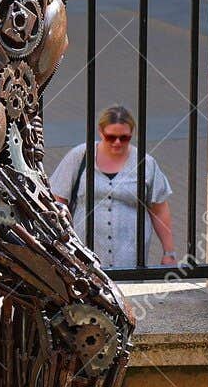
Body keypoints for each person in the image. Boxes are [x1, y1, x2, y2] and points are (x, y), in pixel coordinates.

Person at [49, 105, 178, 268]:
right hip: (83, 254)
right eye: (111, 137)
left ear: (131, 134)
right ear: (100, 132)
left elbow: (159, 210)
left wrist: (169, 252)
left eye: (124, 138)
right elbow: (58, 200)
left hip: (130, 258)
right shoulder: (80, 156)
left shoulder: (146, 163)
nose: (117, 142)